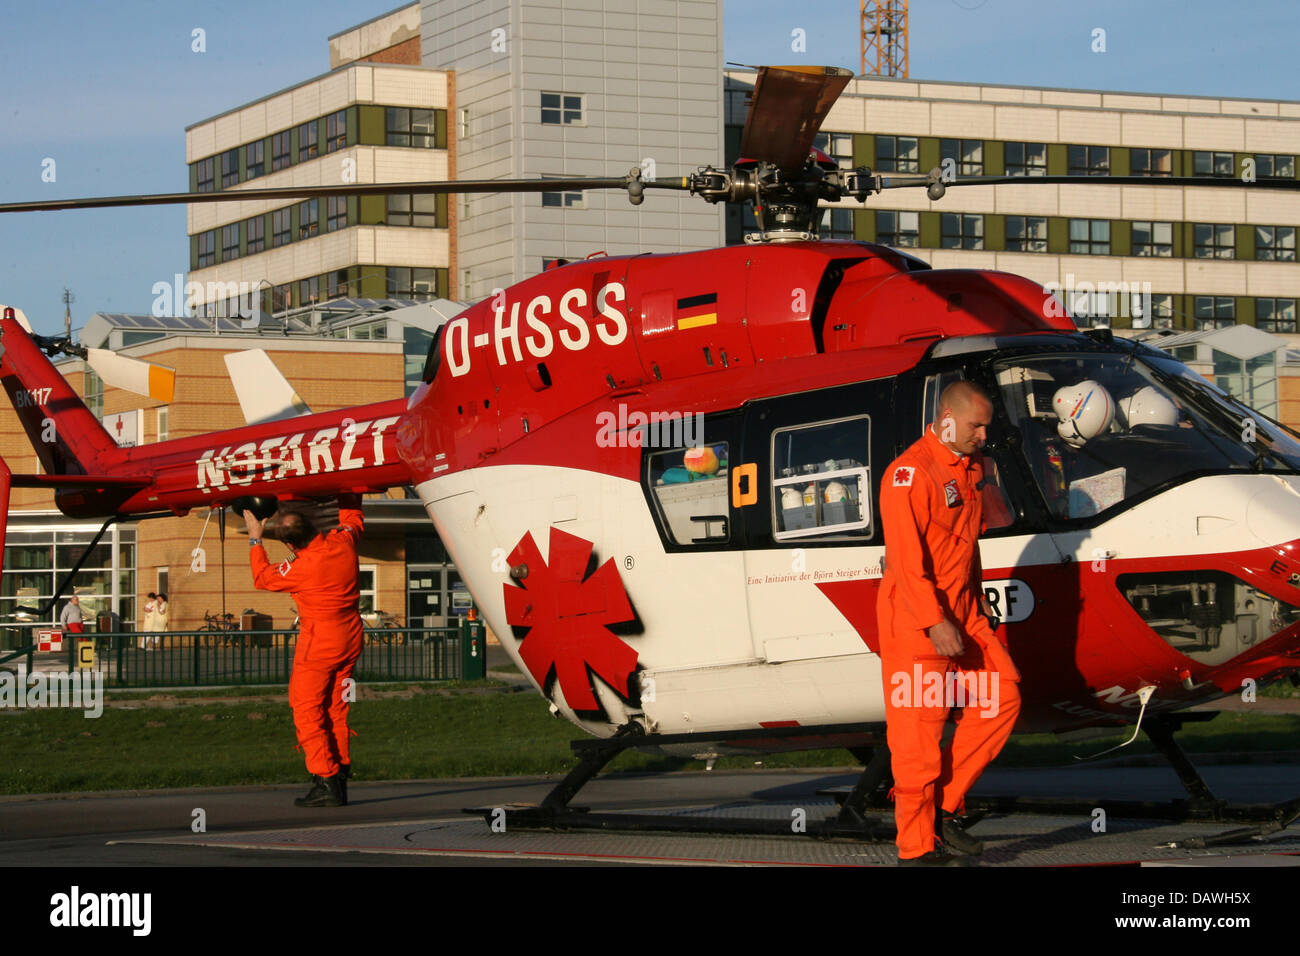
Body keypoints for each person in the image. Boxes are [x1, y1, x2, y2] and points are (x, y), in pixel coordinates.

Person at [876, 380, 1021, 866]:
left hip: (965, 615)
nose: (983, 434)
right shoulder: (908, 474)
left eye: (987, 426)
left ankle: (944, 806)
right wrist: (935, 620)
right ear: (947, 418)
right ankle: (914, 851)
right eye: (976, 425)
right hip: (918, 623)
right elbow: (905, 561)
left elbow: (967, 545)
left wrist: (974, 609)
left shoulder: (973, 468)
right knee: (918, 741)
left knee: (1002, 696)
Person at [244, 495, 364, 808]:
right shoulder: (343, 542)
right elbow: (353, 521)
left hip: (320, 641)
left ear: (291, 545)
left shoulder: (302, 567)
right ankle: (339, 773)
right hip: (350, 635)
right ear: (313, 528)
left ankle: (325, 778)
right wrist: (350, 490)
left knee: (307, 708)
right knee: (335, 707)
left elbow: (262, 577)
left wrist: (255, 537)